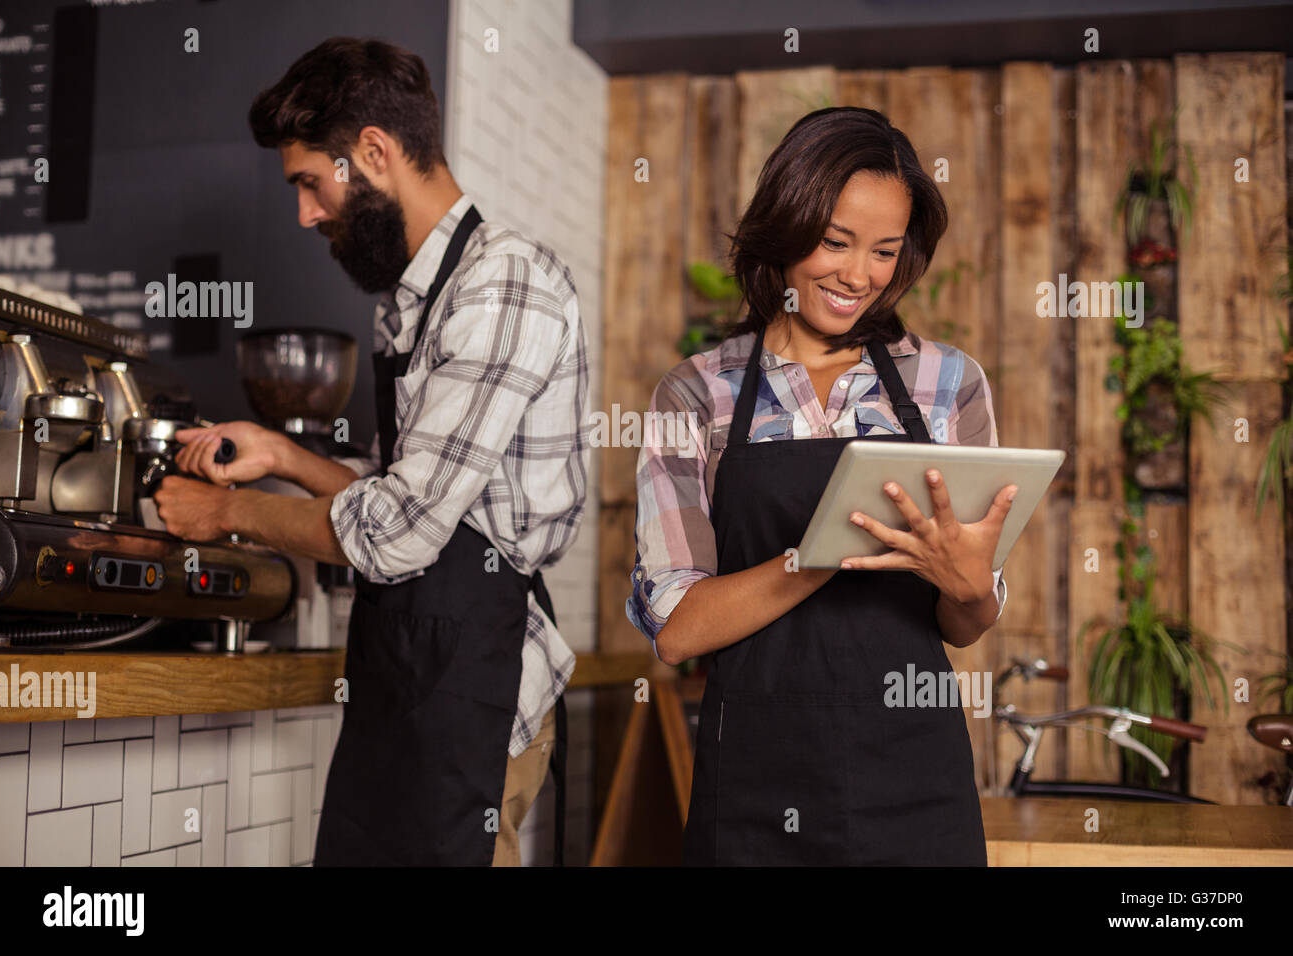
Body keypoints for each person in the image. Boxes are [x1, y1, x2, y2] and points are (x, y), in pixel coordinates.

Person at [155, 37, 589, 866]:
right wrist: (279, 454)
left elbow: (398, 533)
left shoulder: (502, 285)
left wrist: (225, 513)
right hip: (411, 676)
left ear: (374, 155)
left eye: (310, 184)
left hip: (476, 687)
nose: (306, 215)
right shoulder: (413, 301)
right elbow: (405, 493)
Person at [627, 106, 1017, 865]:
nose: (857, 275)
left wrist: (969, 587)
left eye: (884, 251)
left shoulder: (948, 384)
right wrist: (824, 549)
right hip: (754, 786)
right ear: (785, 223)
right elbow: (677, 630)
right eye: (835, 241)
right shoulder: (697, 394)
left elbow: (966, 622)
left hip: (915, 779)